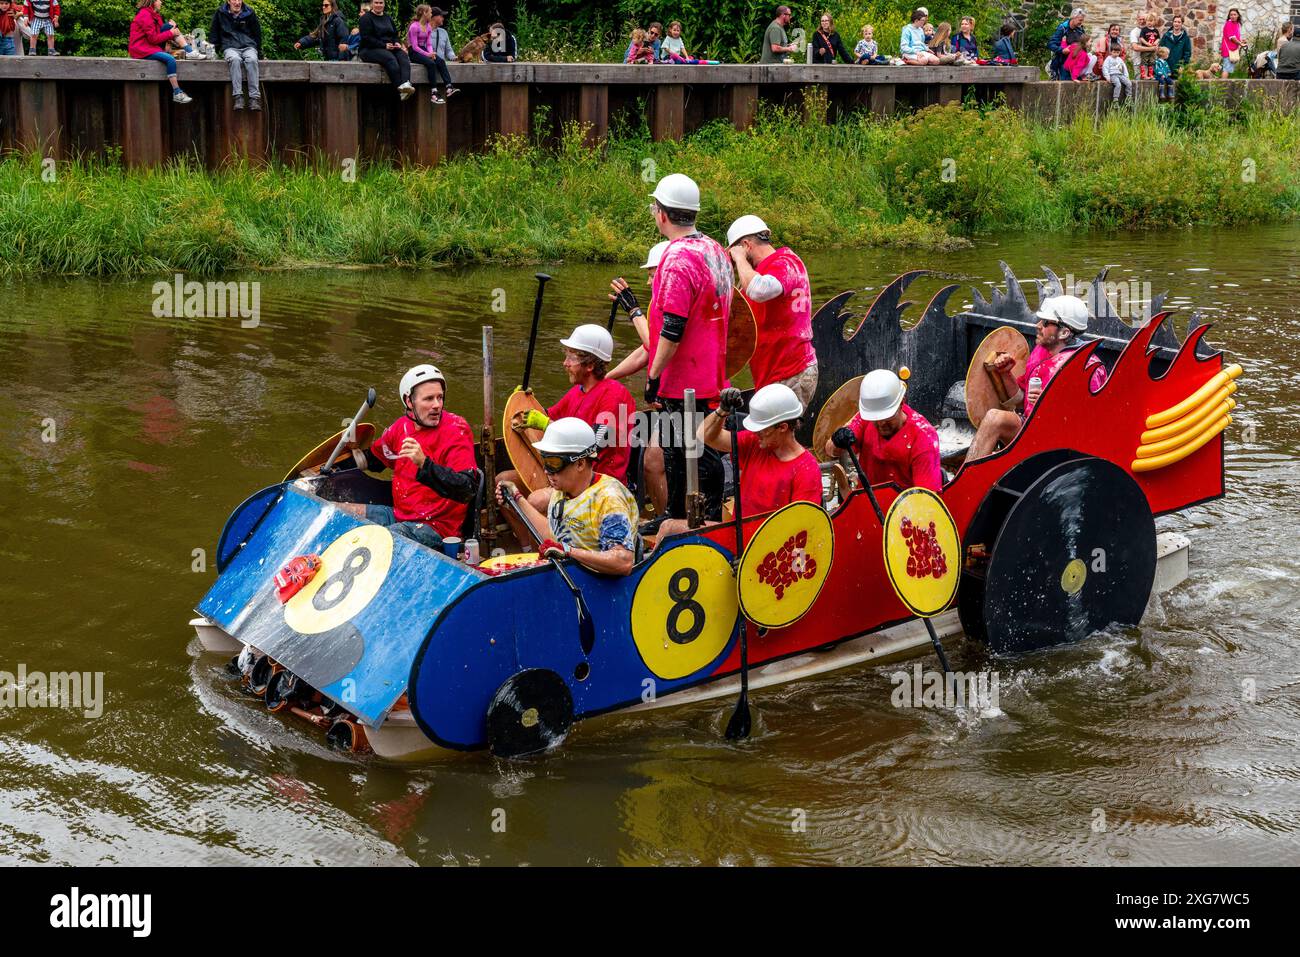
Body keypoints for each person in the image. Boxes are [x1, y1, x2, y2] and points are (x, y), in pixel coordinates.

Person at [644, 172, 733, 527]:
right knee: (680, 448)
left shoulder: (678, 259)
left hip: (684, 377)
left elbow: (673, 327)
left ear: (663, 214)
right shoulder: (715, 250)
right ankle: (676, 513)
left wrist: (653, 375)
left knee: (690, 450)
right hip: (710, 370)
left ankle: (704, 516)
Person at [656, 384, 822, 542]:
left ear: (783, 427)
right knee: (667, 528)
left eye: (761, 428)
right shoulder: (755, 443)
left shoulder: (806, 470)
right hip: (735, 535)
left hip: (763, 549)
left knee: (670, 528)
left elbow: (802, 530)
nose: (756, 432)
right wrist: (722, 410)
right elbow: (703, 435)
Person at [342, 364, 479, 550]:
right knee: (337, 513)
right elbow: (374, 460)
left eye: (440, 397)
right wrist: (345, 461)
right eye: (428, 399)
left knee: (379, 542)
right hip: (400, 516)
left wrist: (424, 464)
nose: (437, 405)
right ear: (409, 401)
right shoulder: (399, 428)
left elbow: (467, 489)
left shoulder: (456, 429)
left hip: (437, 527)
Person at [502, 324, 636, 499]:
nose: (565, 363)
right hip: (566, 472)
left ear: (589, 365)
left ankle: (546, 526)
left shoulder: (615, 395)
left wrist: (546, 424)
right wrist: (525, 403)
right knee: (502, 481)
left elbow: (591, 448)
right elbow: (547, 416)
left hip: (597, 484)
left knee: (536, 500)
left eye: (571, 358)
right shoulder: (577, 391)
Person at [967, 295, 1108, 461]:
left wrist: (1051, 406)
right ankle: (966, 478)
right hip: (1031, 431)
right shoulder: (1040, 352)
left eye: (1046, 323)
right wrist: (1005, 374)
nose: (1038, 326)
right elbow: (1021, 401)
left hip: (1062, 447)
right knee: (994, 418)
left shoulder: (1087, 367)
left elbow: (1090, 423)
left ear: (1064, 332)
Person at [496, 419, 639, 576]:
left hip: (601, 585)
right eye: (545, 461)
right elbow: (553, 535)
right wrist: (517, 498)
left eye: (554, 463)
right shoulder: (562, 490)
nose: (547, 471)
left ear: (580, 464)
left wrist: (569, 552)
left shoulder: (609, 500)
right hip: (570, 576)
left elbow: (623, 562)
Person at [726, 215, 817, 407]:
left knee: (777, 435)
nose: (737, 264)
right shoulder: (761, 272)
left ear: (746, 245)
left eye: (736, 255)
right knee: (769, 435)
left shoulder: (786, 262)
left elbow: (759, 290)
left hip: (790, 371)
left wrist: (740, 259)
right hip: (772, 372)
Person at [608, 240, 670, 519]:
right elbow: (644, 352)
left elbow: (655, 345)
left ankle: (665, 519)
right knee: (652, 460)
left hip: (686, 398)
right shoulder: (660, 303)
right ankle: (662, 517)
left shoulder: (674, 303)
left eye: (652, 273)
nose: (648, 281)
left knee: (653, 460)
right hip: (666, 401)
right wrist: (607, 377)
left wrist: (634, 311)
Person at [825, 370, 941, 492]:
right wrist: (838, 441)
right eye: (876, 418)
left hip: (906, 507)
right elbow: (829, 450)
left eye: (887, 417)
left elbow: (927, 500)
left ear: (901, 403)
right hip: (867, 501)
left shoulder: (923, 437)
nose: (880, 423)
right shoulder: (866, 418)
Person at [129, 0, 193, 104]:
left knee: (169, 26)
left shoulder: (154, 15)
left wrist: (171, 31)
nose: (162, 2)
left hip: (149, 45)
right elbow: (153, 39)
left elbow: (159, 34)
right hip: (141, 49)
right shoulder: (145, 15)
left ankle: (189, 51)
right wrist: (170, 33)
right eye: (160, 0)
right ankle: (177, 93)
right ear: (152, 1)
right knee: (170, 60)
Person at [210, 0, 263, 111]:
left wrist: (259, 51)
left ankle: (254, 98)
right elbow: (214, 32)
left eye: (239, 0)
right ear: (228, 1)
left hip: (248, 46)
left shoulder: (249, 12)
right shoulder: (220, 12)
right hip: (230, 46)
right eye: (234, 0)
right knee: (234, 59)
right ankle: (238, 97)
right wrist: (214, 50)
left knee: (252, 59)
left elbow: (257, 33)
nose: (237, 2)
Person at [358, 0, 414, 100]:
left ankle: (405, 84)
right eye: (376, 2)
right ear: (372, 4)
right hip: (369, 49)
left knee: (403, 56)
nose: (379, 5)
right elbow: (366, 38)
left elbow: (395, 34)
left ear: (384, 4)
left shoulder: (388, 17)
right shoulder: (366, 18)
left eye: (381, 3)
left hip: (390, 47)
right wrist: (384, 45)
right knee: (390, 59)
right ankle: (399, 89)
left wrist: (397, 42)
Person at [408, 5, 458, 104]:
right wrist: (428, 54)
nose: (431, 14)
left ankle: (449, 87)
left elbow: (429, 44)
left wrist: (431, 53)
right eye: (430, 13)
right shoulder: (414, 26)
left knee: (440, 61)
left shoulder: (428, 27)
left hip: (424, 50)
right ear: (424, 13)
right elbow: (414, 46)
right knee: (431, 64)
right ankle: (434, 93)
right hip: (415, 52)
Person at [1160, 15, 1192, 79]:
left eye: (1179, 22)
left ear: (1182, 23)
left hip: (1179, 69)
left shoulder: (1185, 38)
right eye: (1175, 21)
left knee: (1177, 87)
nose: (1176, 23)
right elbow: (1160, 50)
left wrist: (1183, 66)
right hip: (1166, 68)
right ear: (1173, 23)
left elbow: (1187, 53)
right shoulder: (1166, 36)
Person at [1220, 8, 1243, 76]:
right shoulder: (1229, 24)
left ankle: (1224, 85)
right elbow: (1232, 38)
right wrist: (1240, 43)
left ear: (1238, 15)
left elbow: (1236, 37)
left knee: (1228, 69)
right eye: (1231, 15)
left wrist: (1241, 41)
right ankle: (1221, 86)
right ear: (1229, 16)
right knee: (1226, 69)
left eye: (1234, 14)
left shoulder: (1236, 24)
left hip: (1233, 49)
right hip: (1228, 49)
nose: (1233, 16)